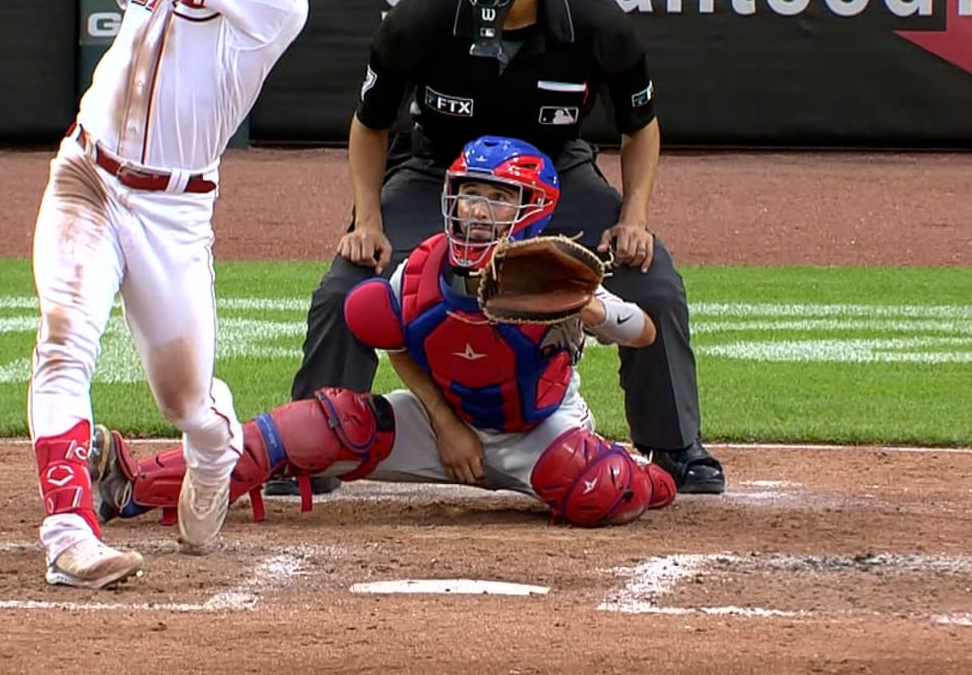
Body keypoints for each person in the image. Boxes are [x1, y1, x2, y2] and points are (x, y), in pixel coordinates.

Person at [272, 0, 726, 502]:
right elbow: (369, 125)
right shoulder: (419, 19)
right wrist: (367, 220)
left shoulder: (597, 23)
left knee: (651, 278)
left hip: (555, 173)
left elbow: (641, 126)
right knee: (350, 285)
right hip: (439, 173)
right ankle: (309, 450)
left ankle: (675, 445)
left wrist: (636, 215)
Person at [28, 0, 328, 589]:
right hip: (87, 175)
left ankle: (213, 448)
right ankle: (69, 534)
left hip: (173, 214)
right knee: (64, 341)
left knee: (185, 399)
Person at [88, 137, 678, 530]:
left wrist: (596, 314)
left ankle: (647, 477)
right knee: (314, 426)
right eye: (469, 194)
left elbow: (645, 333)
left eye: (497, 199)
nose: (475, 211)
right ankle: (132, 484)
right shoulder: (421, 268)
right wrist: (446, 427)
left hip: (538, 432)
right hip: (441, 420)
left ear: (533, 209)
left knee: (595, 488)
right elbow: (393, 336)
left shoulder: (552, 277)